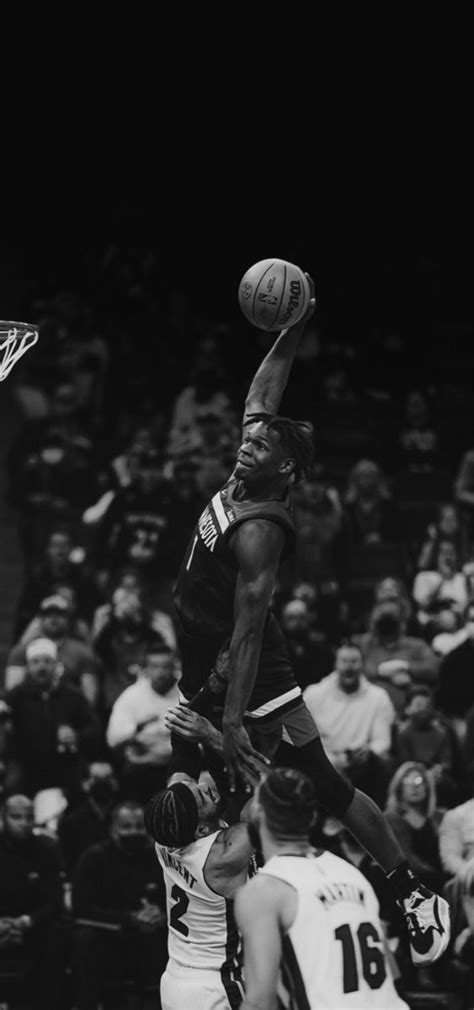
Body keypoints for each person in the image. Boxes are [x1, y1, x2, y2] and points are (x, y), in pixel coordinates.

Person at [172, 285, 450, 966]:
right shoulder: (248, 473)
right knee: (220, 799)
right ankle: (233, 937)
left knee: (321, 786)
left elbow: (246, 631)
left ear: (285, 469)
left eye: (260, 444)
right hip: (205, 659)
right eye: (249, 437)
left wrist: (232, 719)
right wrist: (294, 327)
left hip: (252, 674)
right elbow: (261, 394)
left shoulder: (262, 529)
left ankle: (412, 892)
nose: (246, 443)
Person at [235, 767, 410, 1010]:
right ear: (312, 818)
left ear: (257, 812)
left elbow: (259, 1003)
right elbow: (391, 971)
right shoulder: (352, 874)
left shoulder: (264, 891)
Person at [144, 759, 255, 1010]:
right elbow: (272, 799)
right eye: (202, 798)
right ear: (202, 830)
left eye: (198, 787)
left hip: (175, 979)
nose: (205, 787)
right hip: (215, 984)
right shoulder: (224, 856)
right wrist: (217, 739)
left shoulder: (165, 836)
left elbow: (182, 760)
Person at [71, 799, 167, 1010]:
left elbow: (170, 899)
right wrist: (129, 919)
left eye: (139, 826)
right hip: (110, 931)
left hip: (153, 930)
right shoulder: (94, 858)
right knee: (85, 939)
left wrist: (161, 915)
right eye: (126, 827)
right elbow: (81, 908)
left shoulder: (157, 857)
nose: (134, 832)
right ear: (113, 829)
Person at [303, 643, 395, 806]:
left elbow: (382, 741)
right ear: (336, 664)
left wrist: (369, 751)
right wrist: (330, 762)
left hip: (361, 767)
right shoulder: (313, 695)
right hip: (323, 763)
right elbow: (305, 738)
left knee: (383, 763)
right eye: (344, 661)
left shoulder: (378, 697)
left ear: (362, 665)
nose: (349, 667)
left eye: (354, 661)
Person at [0, 794, 66, 1009]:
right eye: (16, 817)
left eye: (29, 817)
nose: (23, 823)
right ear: (3, 817)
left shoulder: (47, 850)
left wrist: (27, 921)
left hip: (34, 926)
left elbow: (55, 900)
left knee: (58, 937)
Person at [106, 642, 180, 802]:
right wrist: (137, 729)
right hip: (144, 768)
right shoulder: (132, 696)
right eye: (154, 666)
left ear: (175, 667)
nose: (160, 672)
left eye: (166, 666)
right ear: (145, 669)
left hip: (180, 765)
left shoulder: (186, 694)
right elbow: (113, 739)